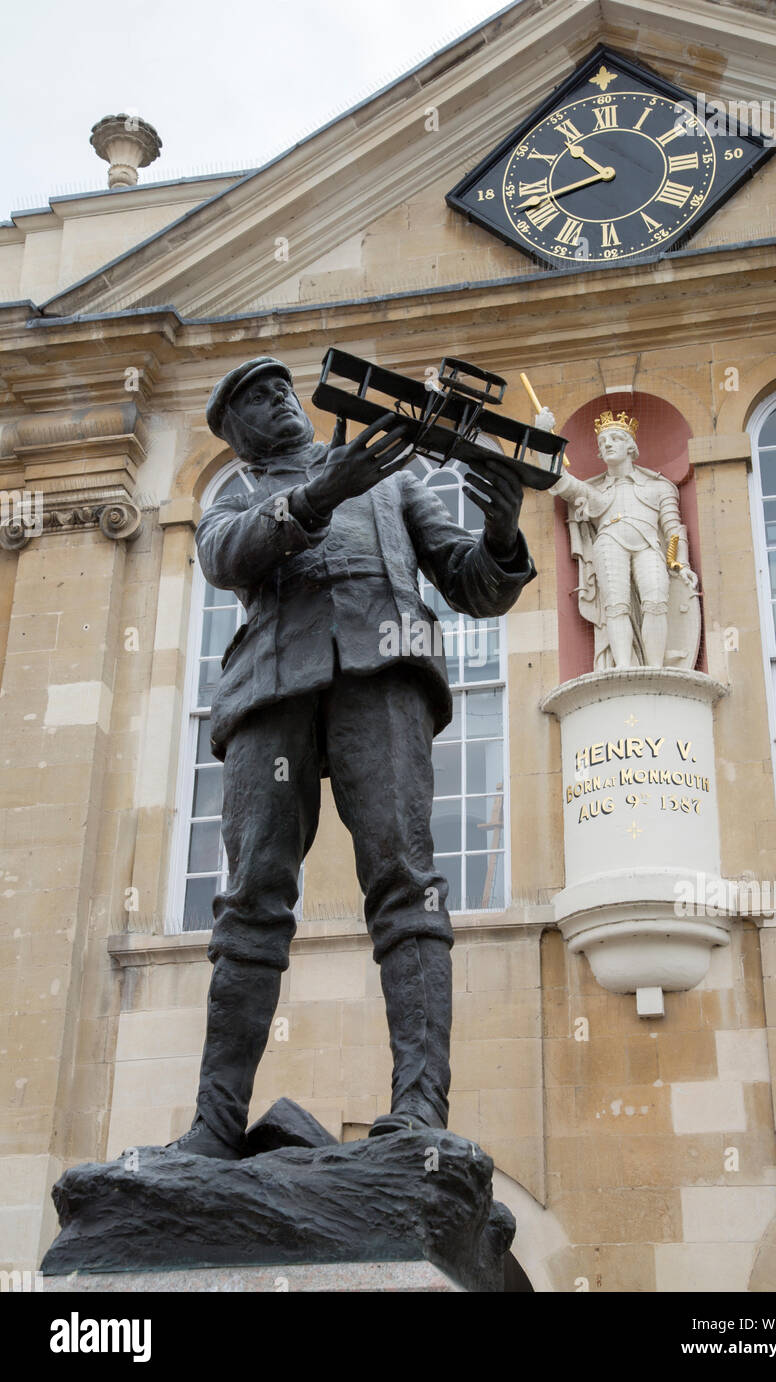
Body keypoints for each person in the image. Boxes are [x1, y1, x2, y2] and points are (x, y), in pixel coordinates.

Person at [171, 355, 536, 1157]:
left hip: (384, 677)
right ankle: (213, 1122)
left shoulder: (392, 483)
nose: (280, 402)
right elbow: (225, 556)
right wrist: (314, 495)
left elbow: (474, 585)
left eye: (280, 389)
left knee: (406, 883)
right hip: (272, 689)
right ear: (235, 432)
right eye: (257, 398)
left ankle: (418, 1111)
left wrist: (502, 531)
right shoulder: (237, 490)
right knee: (253, 899)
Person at [550, 411, 698, 669]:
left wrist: (680, 563)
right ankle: (623, 668)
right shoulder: (596, 491)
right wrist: (545, 438)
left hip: (649, 545)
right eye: (603, 441)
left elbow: (673, 528)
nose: (607, 444)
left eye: (616, 438)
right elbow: (561, 481)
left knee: (655, 602)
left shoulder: (658, 487)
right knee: (616, 606)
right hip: (609, 543)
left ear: (631, 446)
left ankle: (655, 668)